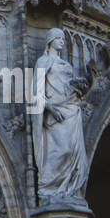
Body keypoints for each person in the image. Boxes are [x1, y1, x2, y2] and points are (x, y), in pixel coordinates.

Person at [32, 28, 89, 203]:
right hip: (55, 112)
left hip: (71, 109)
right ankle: (50, 189)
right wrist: (50, 108)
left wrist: (77, 87)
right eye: (59, 38)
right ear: (50, 41)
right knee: (61, 151)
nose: (62, 42)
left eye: (63, 39)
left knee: (73, 152)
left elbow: (66, 86)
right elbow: (37, 91)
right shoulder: (43, 62)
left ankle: (68, 190)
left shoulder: (65, 64)